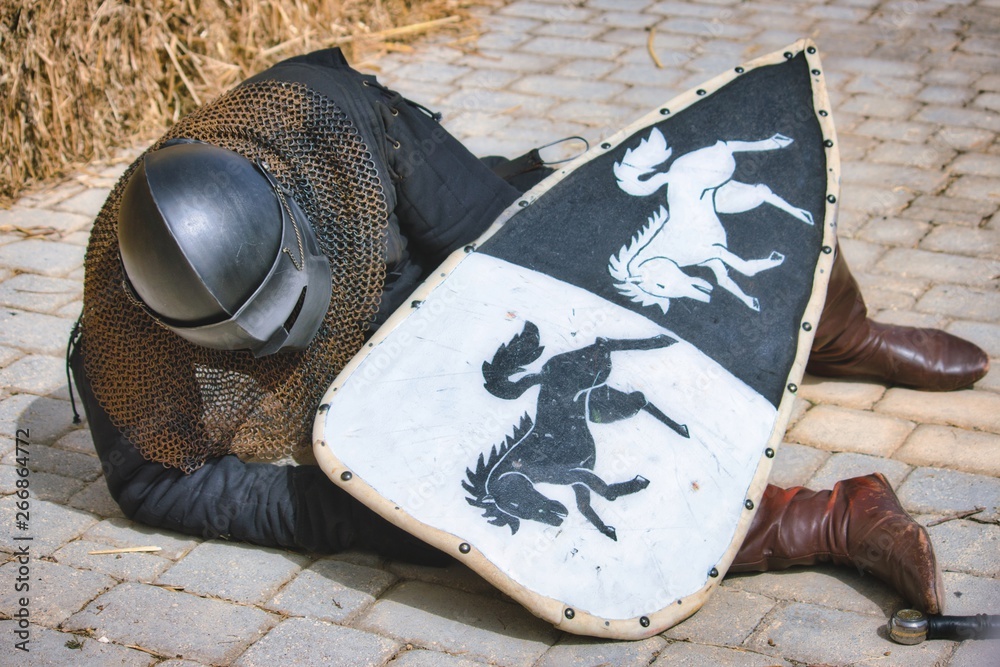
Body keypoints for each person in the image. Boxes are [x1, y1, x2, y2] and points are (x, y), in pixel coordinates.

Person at [70, 49, 988, 617]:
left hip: (452, 292)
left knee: (683, 235)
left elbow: (498, 231)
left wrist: (562, 305)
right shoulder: (123, 357)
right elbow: (168, 492)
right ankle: (833, 518)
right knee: (527, 506)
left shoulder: (334, 126)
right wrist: (370, 498)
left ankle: (839, 331)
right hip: (381, 396)